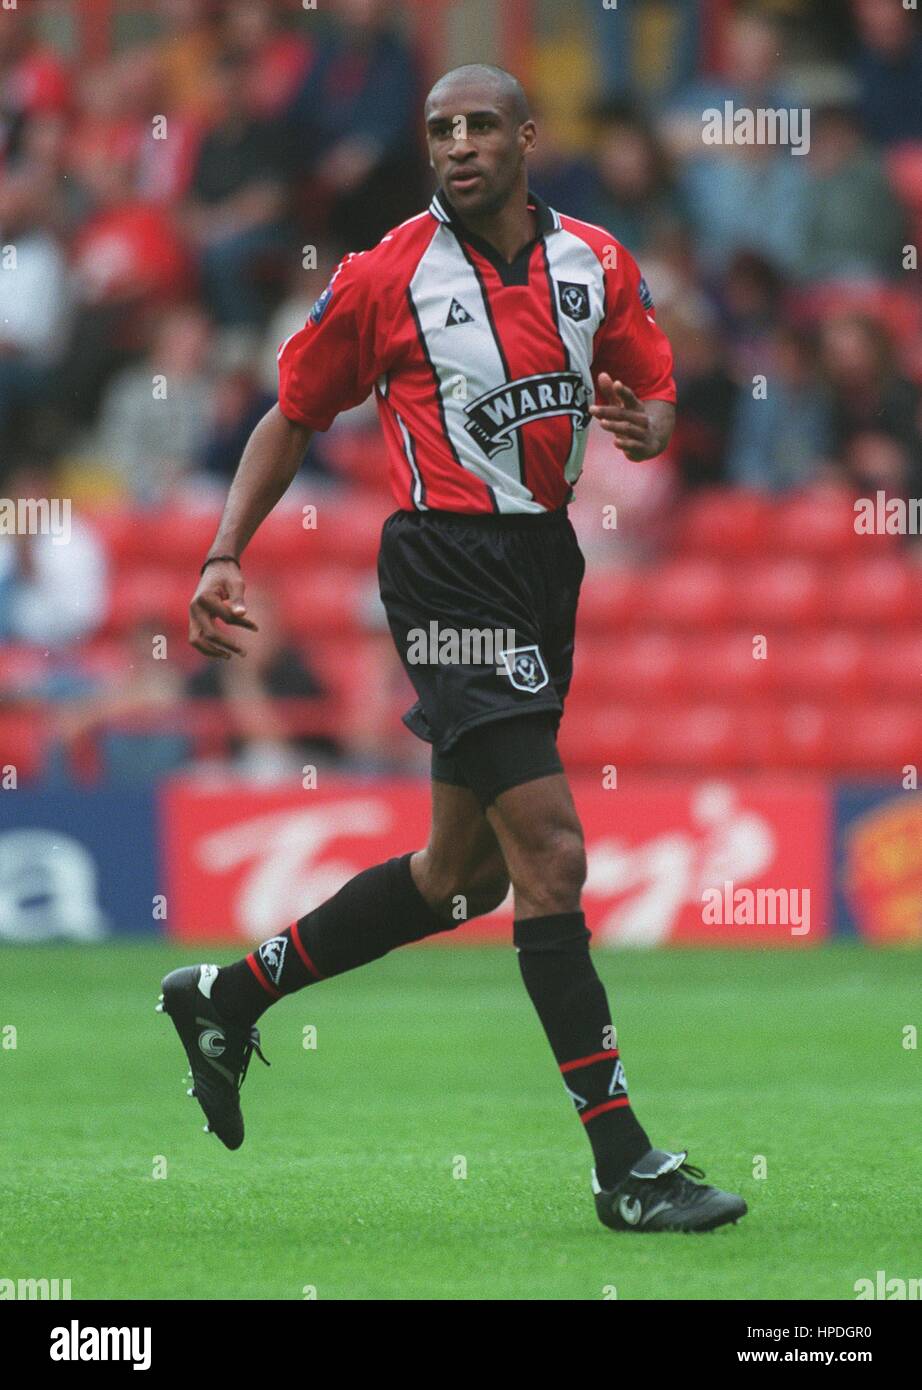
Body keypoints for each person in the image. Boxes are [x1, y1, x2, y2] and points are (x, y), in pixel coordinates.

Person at [158, 64, 747, 1235]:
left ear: (528, 135)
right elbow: (292, 410)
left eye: (480, 125)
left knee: (459, 877)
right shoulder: (387, 275)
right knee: (557, 857)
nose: (459, 145)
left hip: (543, 570)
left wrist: (652, 418)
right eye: (440, 130)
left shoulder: (597, 261)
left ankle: (226, 996)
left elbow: (656, 383)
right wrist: (224, 552)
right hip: (442, 567)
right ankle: (623, 1165)